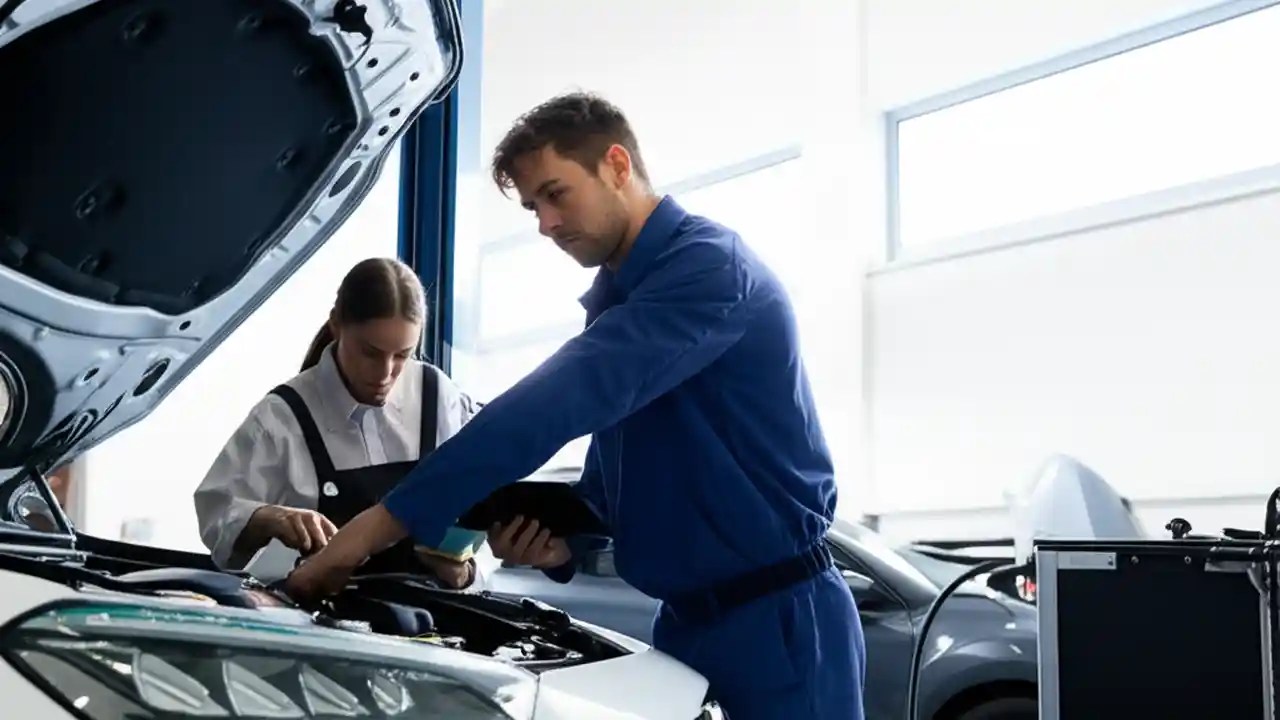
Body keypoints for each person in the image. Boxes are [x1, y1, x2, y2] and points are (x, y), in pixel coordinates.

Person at [285, 93, 867, 718]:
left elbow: (558, 401)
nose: (545, 223)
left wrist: (371, 531)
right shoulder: (622, 301)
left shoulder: (710, 273)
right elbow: (613, 485)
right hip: (684, 628)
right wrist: (562, 547)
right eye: (534, 206)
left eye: (557, 194)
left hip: (778, 624)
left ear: (617, 165)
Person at [193, 257, 485, 588]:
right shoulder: (281, 418)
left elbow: (478, 523)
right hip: (322, 628)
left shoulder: (440, 398)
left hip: (434, 628)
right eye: (370, 353)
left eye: (403, 354)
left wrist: (465, 573)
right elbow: (216, 520)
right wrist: (268, 518)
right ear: (336, 325)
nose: (385, 373)